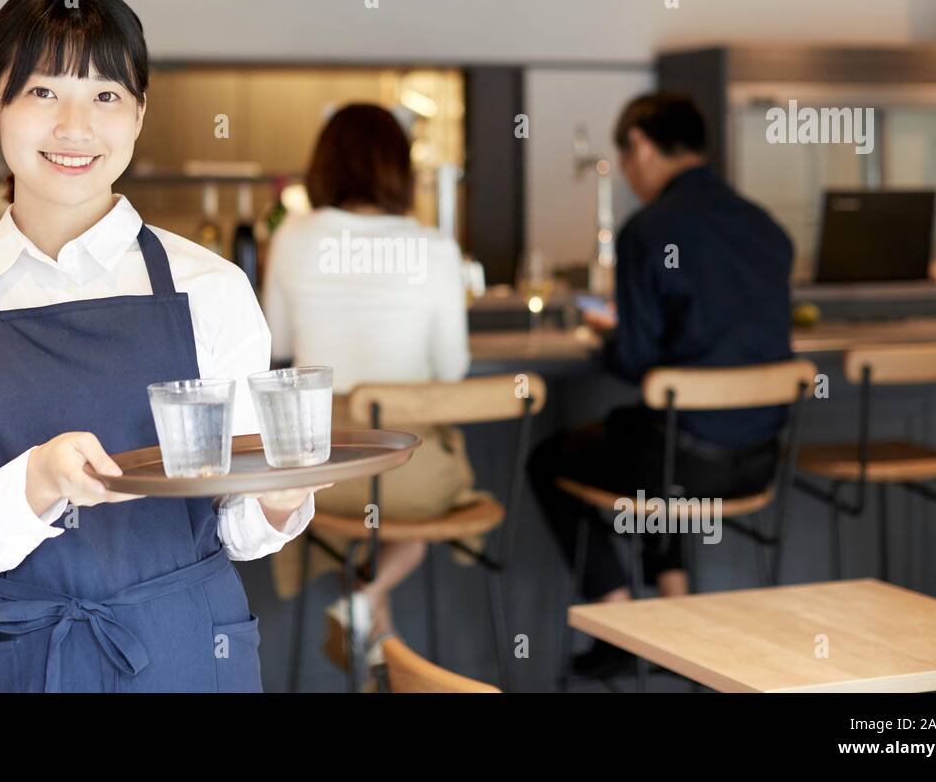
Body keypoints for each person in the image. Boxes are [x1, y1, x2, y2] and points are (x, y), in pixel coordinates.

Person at [0, 0, 327, 692]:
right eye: (44, 93)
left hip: (186, 652)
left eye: (106, 96)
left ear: (140, 113)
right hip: (15, 660)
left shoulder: (211, 292)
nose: (75, 127)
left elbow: (238, 529)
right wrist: (36, 482)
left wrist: (284, 495)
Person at [527, 92, 793, 677]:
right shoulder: (765, 226)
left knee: (550, 460)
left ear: (642, 145)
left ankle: (622, 625)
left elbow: (636, 360)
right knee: (654, 441)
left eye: (625, 158)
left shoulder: (648, 231)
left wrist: (610, 335)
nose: (627, 173)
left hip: (683, 460)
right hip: (760, 459)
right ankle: (677, 614)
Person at [262, 103, 480, 678]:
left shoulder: (293, 239)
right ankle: (369, 602)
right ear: (400, 170)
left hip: (319, 475)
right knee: (432, 494)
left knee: (362, 519)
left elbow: (276, 344)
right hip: (410, 479)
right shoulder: (435, 249)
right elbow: (452, 370)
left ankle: (374, 622)